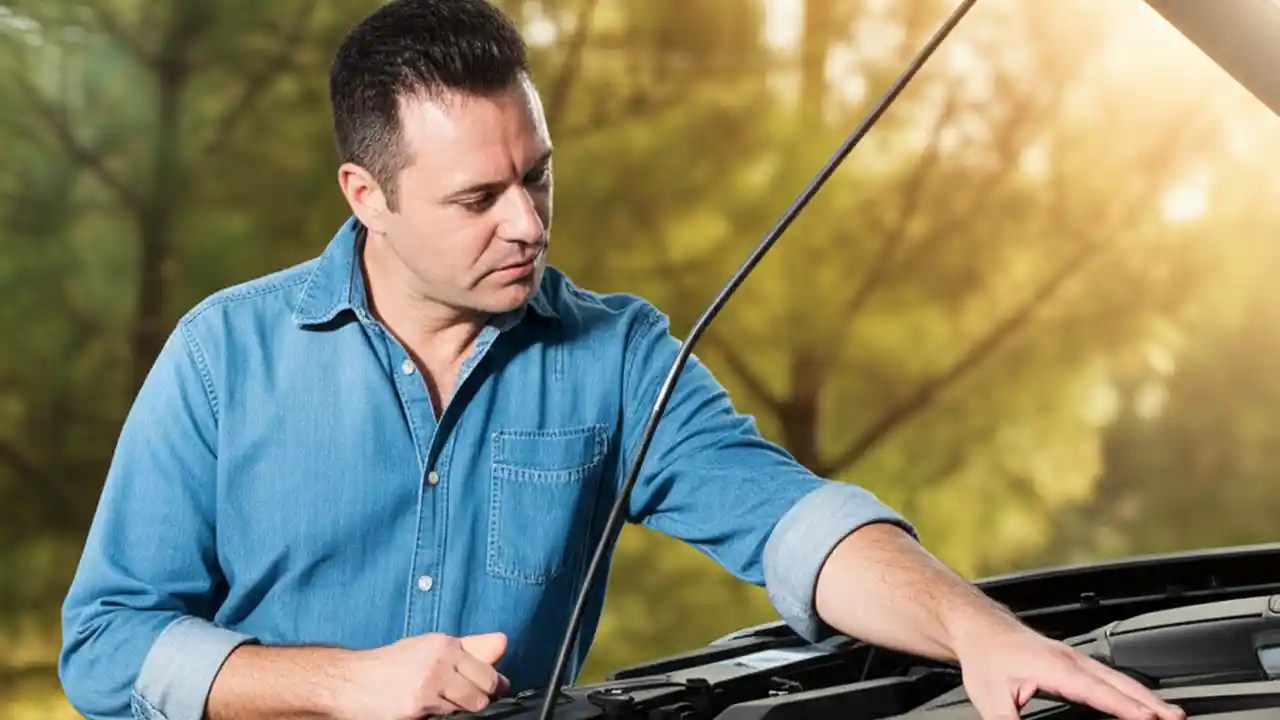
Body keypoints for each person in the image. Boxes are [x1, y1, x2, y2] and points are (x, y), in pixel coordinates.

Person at [58, 2, 1184, 719]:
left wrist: (978, 629)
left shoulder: (616, 355)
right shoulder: (222, 357)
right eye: (477, 198)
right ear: (367, 196)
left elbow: (793, 522)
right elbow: (108, 645)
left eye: (537, 177)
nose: (527, 224)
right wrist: (342, 684)